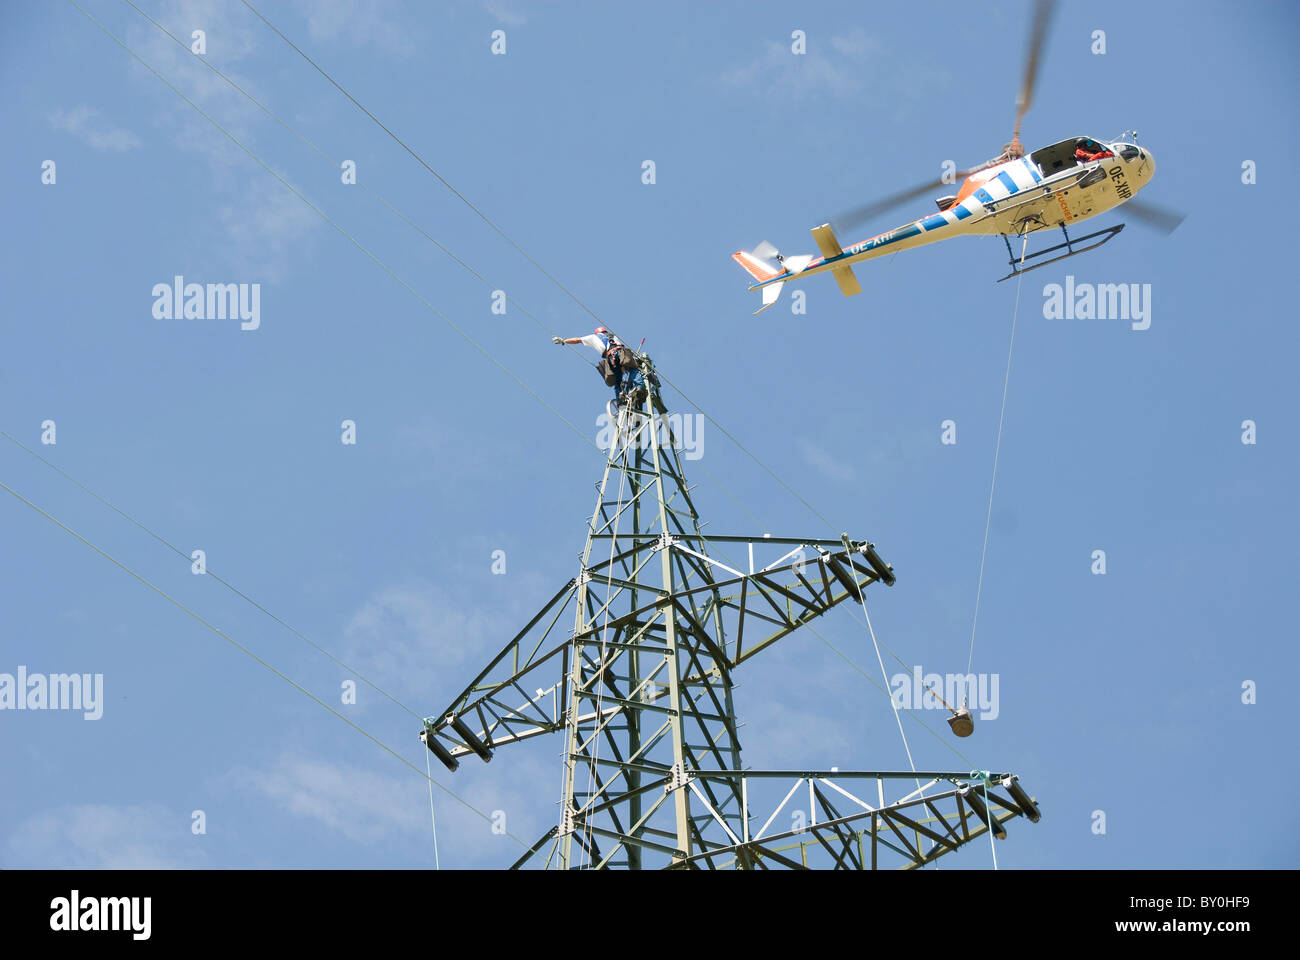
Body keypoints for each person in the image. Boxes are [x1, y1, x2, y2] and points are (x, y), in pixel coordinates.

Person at [553, 326, 647, 406]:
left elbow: (577, 340)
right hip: (622, 353)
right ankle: (639, 387)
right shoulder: (614, 336)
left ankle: (620, 401)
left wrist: (564, 341)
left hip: (611, 358)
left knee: (617, 381)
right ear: (605, 331)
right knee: (633, 368)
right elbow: (623, 349)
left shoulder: (593, 337)